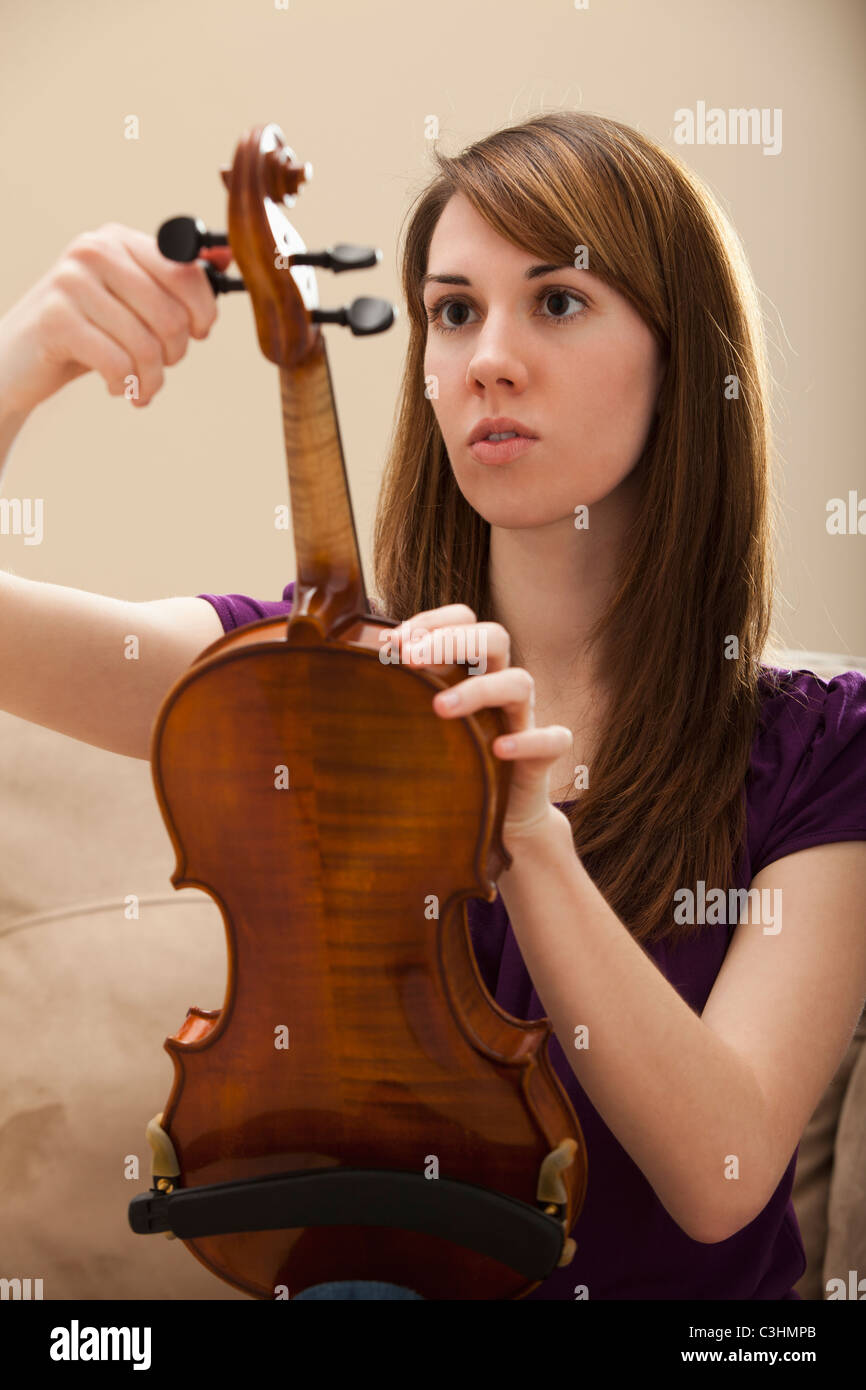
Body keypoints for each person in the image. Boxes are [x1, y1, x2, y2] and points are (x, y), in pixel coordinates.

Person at [1, 110, 864, 1301]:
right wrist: (24, 360)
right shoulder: (307, 671)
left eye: (555, 300)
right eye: (452, 310)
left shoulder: (823, 747)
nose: (485, 359)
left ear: (682, 352)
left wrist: (517, 827)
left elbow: (719, 1175)